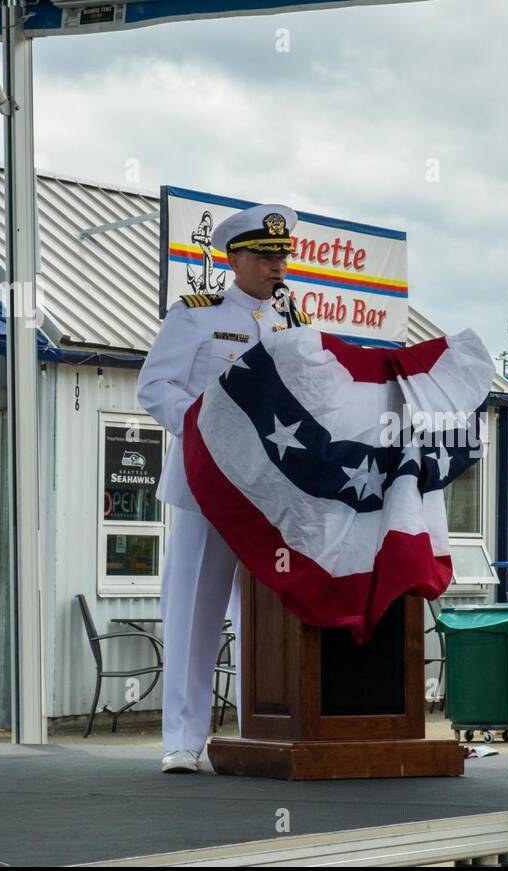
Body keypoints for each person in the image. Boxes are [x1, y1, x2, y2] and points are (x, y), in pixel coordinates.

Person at [137, 203, 297, 773]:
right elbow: (154, 386)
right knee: (194, 614)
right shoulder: (196, 315)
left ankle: (266, 730)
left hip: (271, 493)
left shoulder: (292, 327)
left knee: (270, 614)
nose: (277, 266)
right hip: (207, 487)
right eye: (265, 256)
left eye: (282, 256)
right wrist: (208, 429)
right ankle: (183, 740)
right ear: (236, 259)